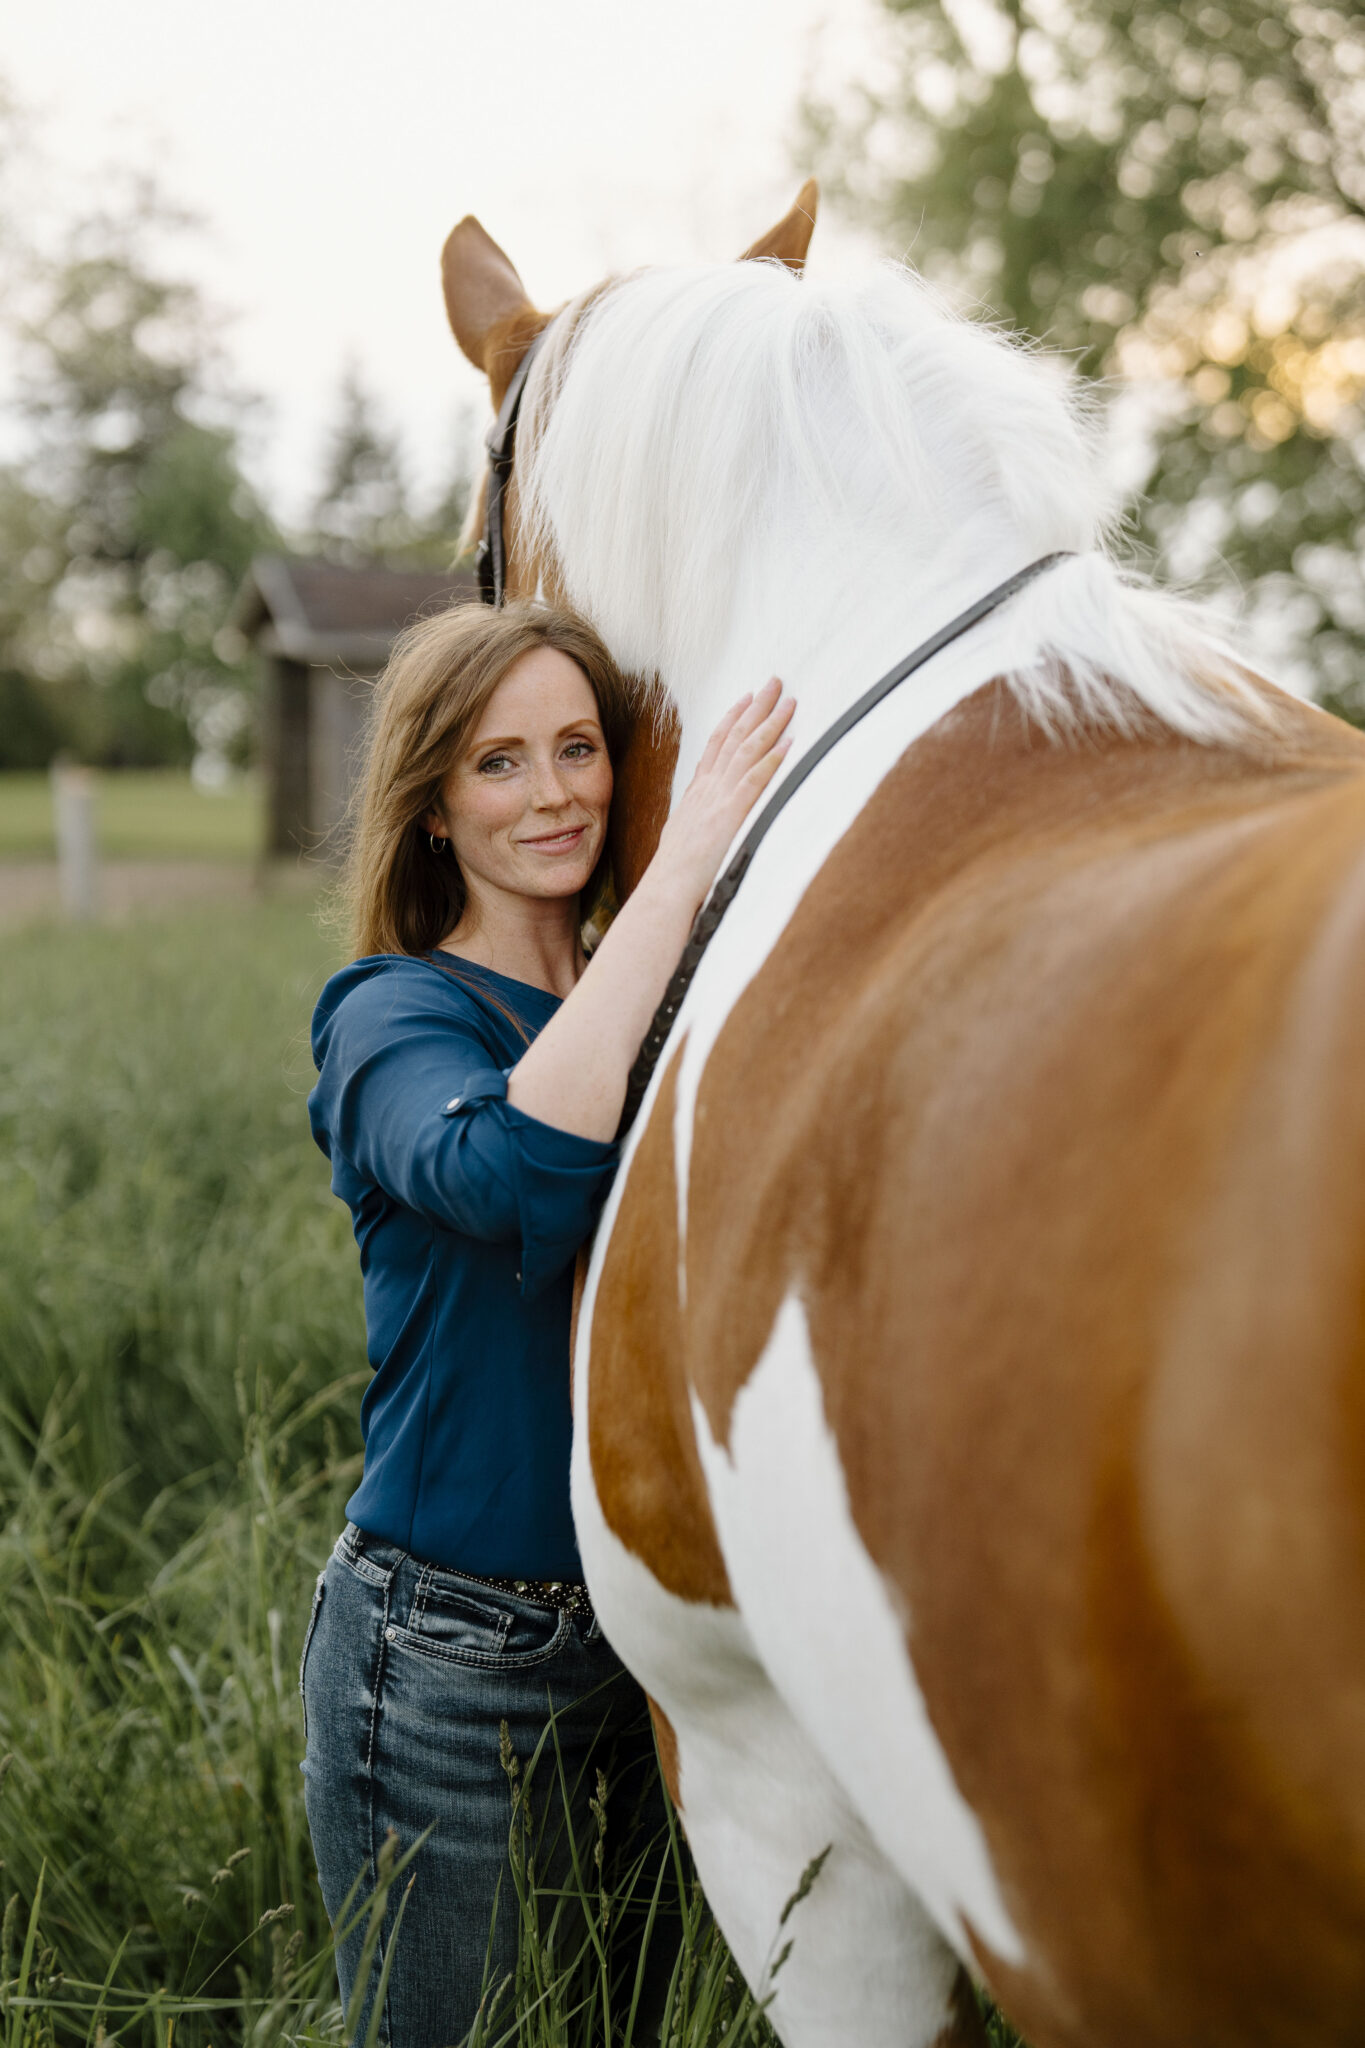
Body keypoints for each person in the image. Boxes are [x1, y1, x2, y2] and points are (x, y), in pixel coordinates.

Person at [300, 597, 794, 2047]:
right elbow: (505, 1173)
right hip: (444, 1659)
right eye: (499, 763)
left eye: (578, 747)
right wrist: (684, 858)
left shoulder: (668, 1004)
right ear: (434, 810)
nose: (556, 792)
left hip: (659, 1651)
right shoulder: (388, 1014)